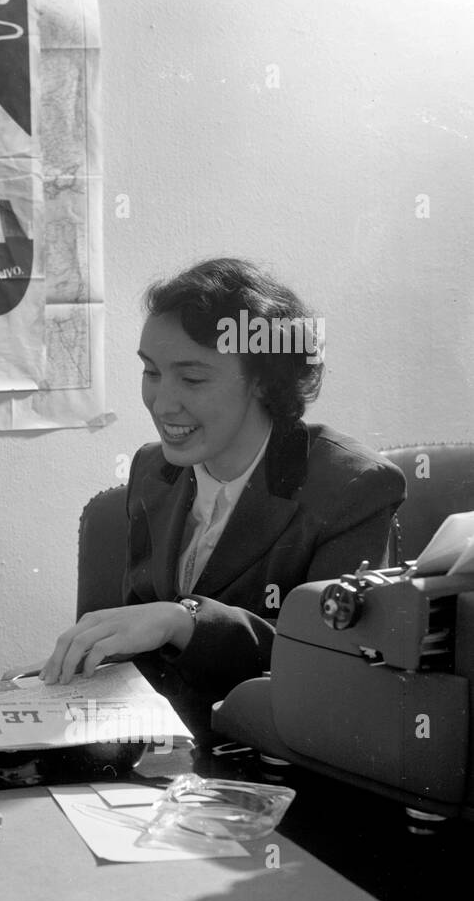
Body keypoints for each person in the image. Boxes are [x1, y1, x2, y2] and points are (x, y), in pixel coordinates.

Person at [39, 258, 405, 738]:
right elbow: (142, 638)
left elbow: (330, 667)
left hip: (281, 759)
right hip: (170, 750)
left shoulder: (354, 487)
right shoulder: (155, 469)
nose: (163, 402)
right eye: (151, 372)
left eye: (192, 379)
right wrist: (55, 689)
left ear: (261, 379)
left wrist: (182, 620)